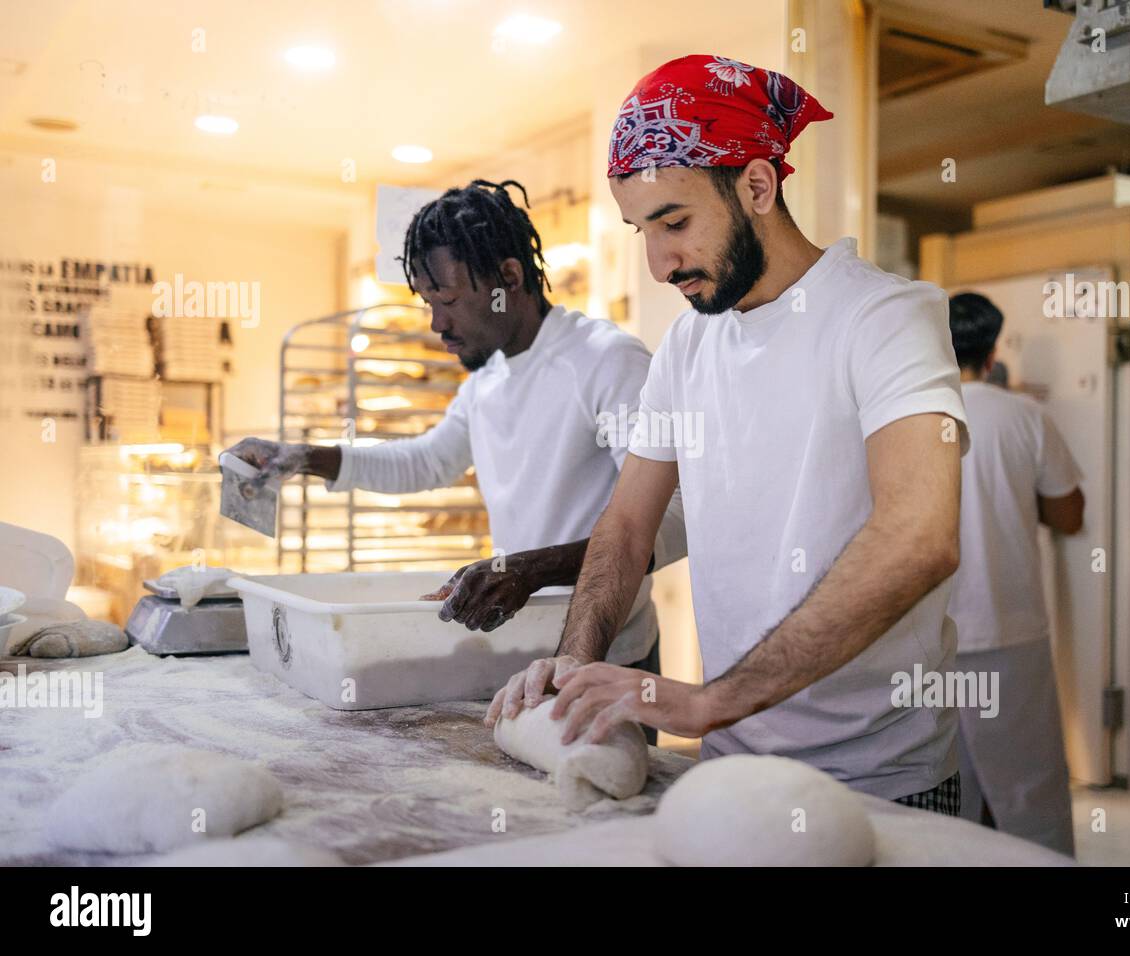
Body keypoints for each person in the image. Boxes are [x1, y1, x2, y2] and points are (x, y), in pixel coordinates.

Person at [487, 54, 969, 813]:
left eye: (674, 223)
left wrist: (711, 702)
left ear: (757, 184)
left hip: (879, 778)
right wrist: (573, 664)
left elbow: (920, 535)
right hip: (732, 765)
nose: (658, 263)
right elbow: (627, 523)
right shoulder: (689, 345)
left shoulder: (884, 318)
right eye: (641, 230)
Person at [225, 181, 686, 739]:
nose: (437, 326)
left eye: (447, 301)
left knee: (608, 809)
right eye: (427, 304)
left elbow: (677, 515)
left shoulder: (604, 362)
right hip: (519, 650)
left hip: (610, 655)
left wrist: (529, 570)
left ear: (508, 279)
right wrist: (302, 458)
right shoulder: (487, 381)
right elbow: (426, 462)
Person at [945, 292, 1084, 855]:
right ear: (994, 349)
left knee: (951, 792)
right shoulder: (1025, 416)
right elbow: (1069, 514)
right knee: (1031, 791)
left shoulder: (912, 414)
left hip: (932, 635)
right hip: (1011, 629)